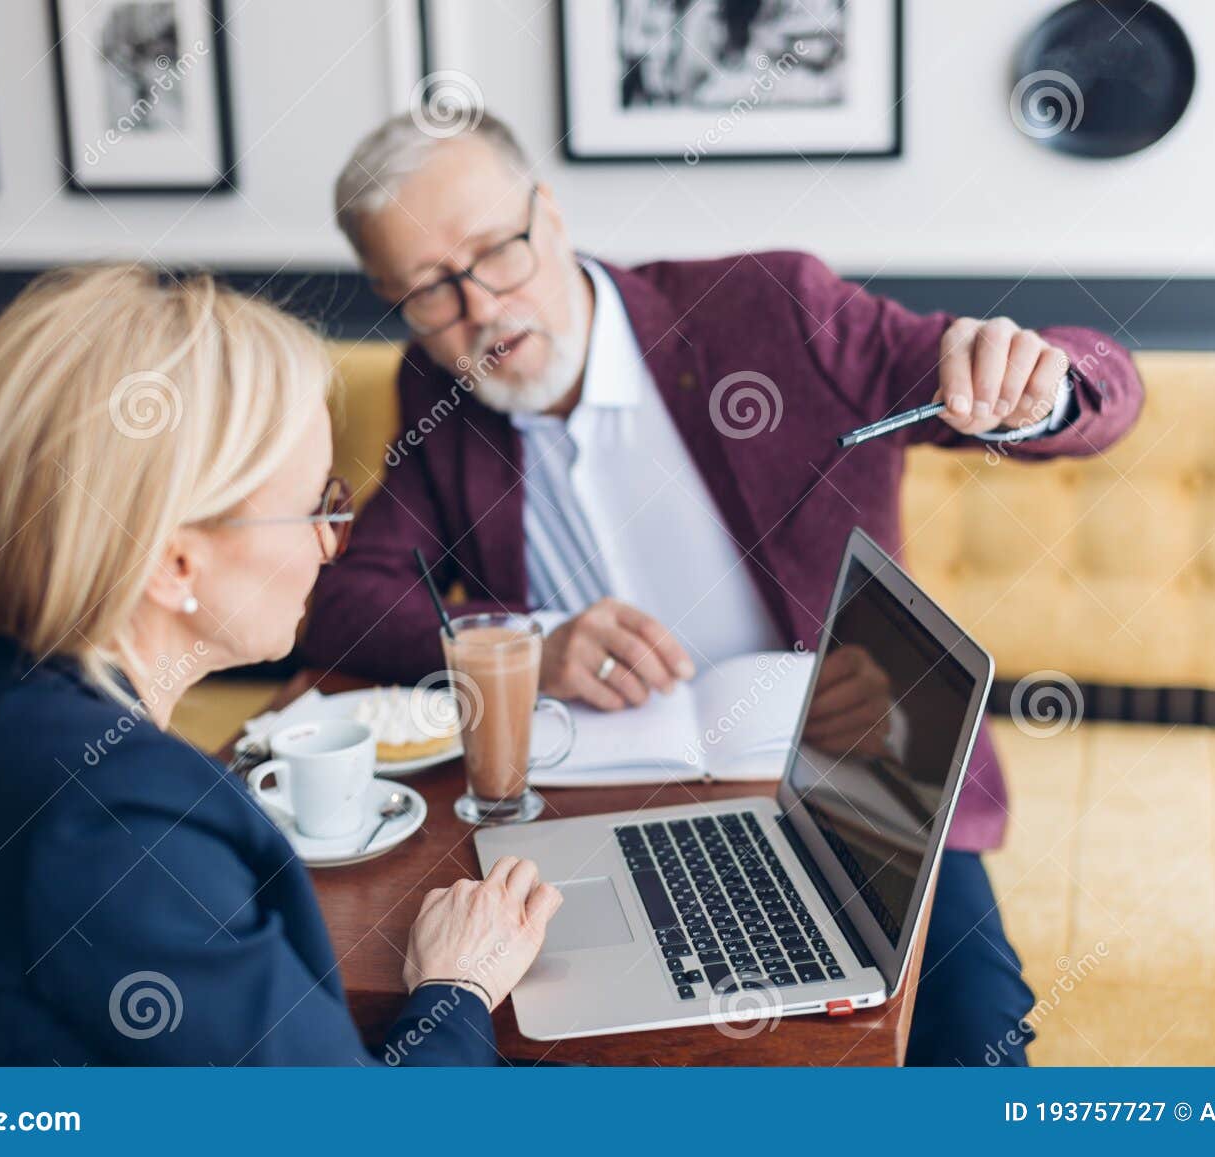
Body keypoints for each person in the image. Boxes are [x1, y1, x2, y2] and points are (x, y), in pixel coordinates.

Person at [305, 112, 1146, 1066]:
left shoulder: (769, 309)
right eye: (428, 290)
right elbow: (346, 602)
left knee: (975, 1047)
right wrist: (534, 643)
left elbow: (1103, 380)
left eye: (498, 251)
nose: (482, 309)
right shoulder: (442, 390)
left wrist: (1044, 384)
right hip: (595, 807)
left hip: (856, 788)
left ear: (550, 213)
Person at [0, 264, 560, 1066]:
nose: (330, 545)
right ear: (175, 563)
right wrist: (458, 986)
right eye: (317, 508)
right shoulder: (123, 826)